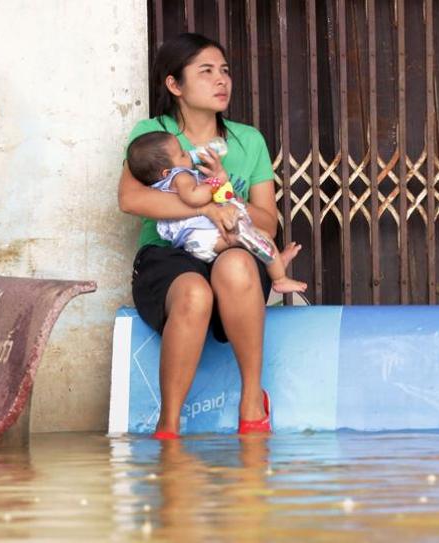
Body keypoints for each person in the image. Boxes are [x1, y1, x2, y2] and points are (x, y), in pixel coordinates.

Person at [119, 33, 291, 438]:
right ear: (174, 85)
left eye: (225, 71)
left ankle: (252, 400)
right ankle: (169, 424)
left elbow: (267, 224)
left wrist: (227, 199)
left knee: (234, 264)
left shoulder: (248, 141)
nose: (222, 80)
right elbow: (131, 199)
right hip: (168, 257)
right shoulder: (153, 136)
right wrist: (207, 207)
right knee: (194, 292)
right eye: (207, 71)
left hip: (235, 253)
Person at [126, 131, 307, 294]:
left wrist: (218, 182)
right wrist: (213, 183)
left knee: (260, 236)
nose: (188, 153)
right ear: (166, 172)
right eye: (182, 154)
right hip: (203, 238)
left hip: (202, 237)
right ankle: (277, 275)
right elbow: (194, 198)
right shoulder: (179, 176)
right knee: (250, 237)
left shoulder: (171, 181)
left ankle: (275, 267)